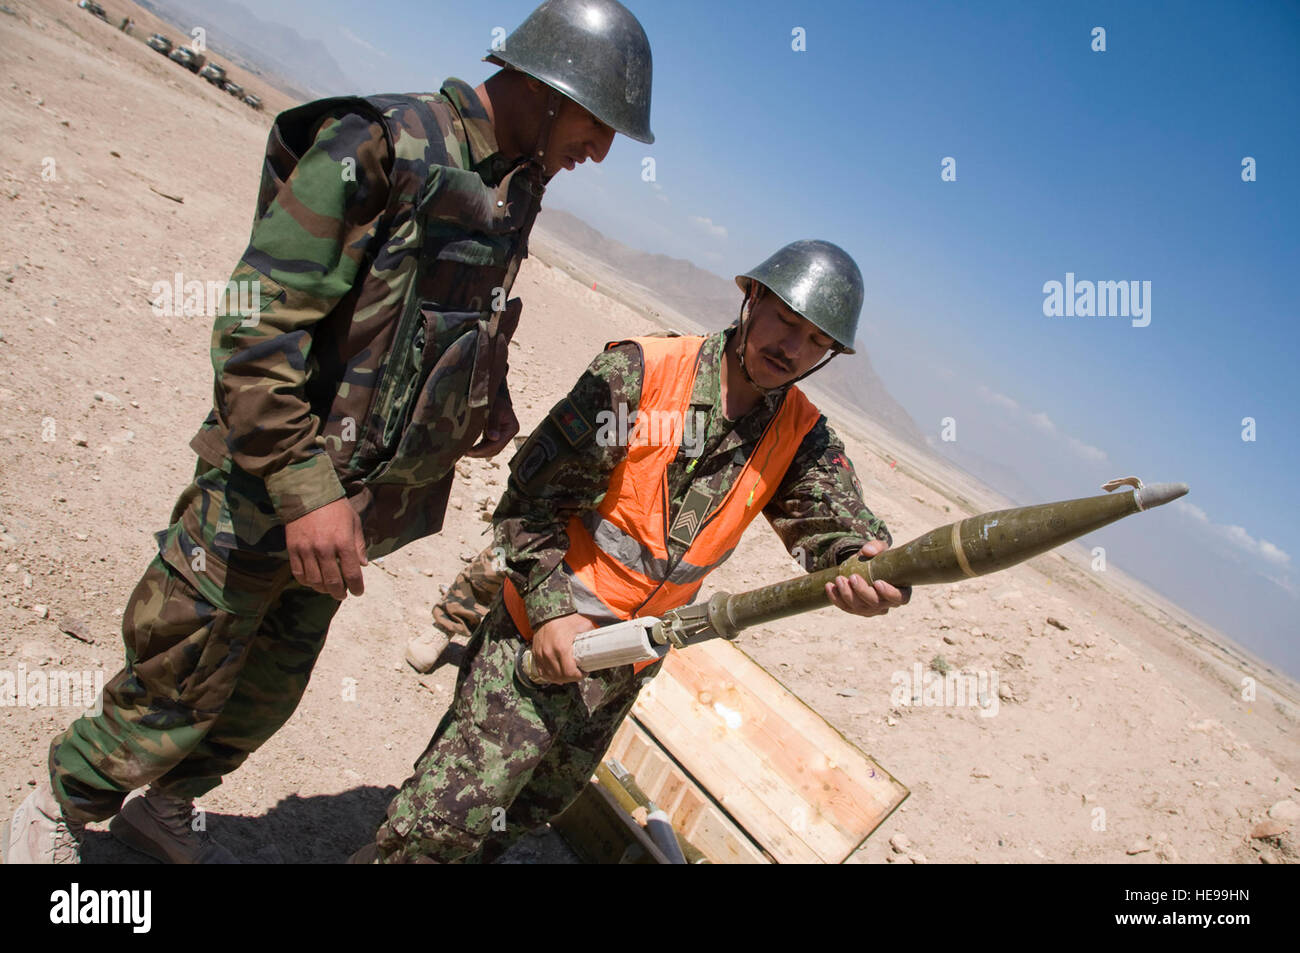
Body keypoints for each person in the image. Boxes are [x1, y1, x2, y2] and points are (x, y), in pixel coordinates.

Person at [0, 0, 655, 866]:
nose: (601, 151)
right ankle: (52, 807)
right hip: (273, 488)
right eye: (597, 123)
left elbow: (470, 309)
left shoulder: (512, 181)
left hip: (355, 507)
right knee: (177, 676)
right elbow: (252, 331)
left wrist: (482, 394)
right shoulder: (380, 143)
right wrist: (306, 492)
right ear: (542, 87)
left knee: (267, 685)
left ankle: (165, 808)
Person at [355, 240, 912, 863]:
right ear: (750, 297)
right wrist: (551, 611)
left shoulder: (801, 435)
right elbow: (528, 505)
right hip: (531, 644)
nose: (792, 348)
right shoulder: (640, 375)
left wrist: (861, 564)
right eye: (785, 319)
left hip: (618, 671)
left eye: (816, 341)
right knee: (441, 827)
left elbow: (835, 524)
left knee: (522, 818)